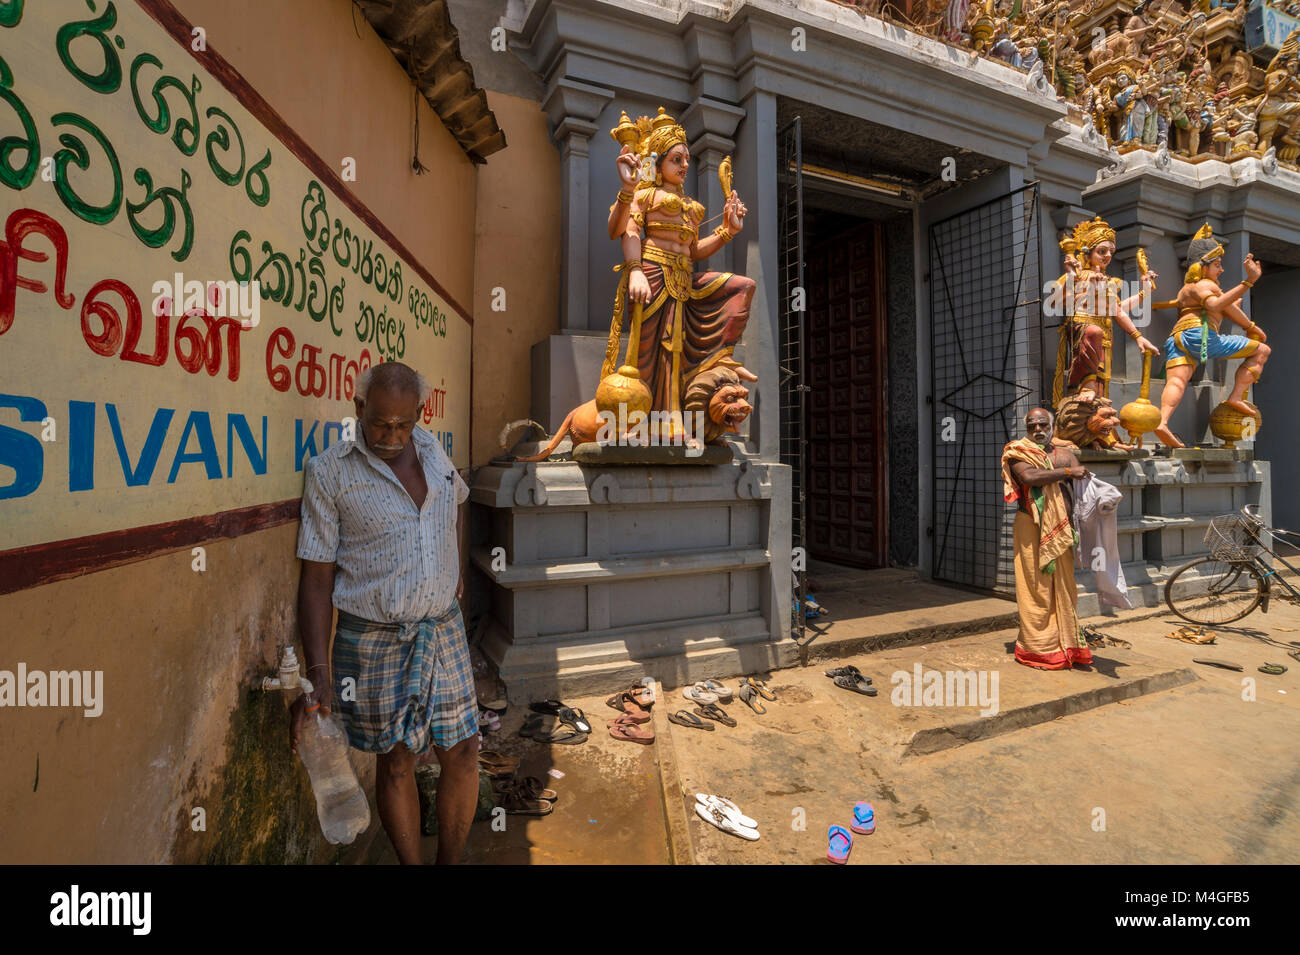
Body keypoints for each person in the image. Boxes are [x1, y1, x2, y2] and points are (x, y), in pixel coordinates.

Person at [290, 361, 476, 865]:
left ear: (419, 413)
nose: (391, 436)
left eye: (402, 424)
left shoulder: (433, 450)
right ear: (359, 410)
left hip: (442, 629)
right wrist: (318, 672)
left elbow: (456, 501)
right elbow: (316, 577)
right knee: (397, 763)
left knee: (462, 752)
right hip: (374, 638)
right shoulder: (331, 472)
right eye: (379, 423)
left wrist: (454, 569)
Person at [605, 107, 757, 435]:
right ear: (657, 162)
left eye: (686, 160)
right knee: (646, 352)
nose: (685, 165)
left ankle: (672, 417)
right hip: (651, 275)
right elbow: (624, 231)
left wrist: (727, 230)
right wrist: (634, 271)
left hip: (682, 280)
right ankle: (638, 419)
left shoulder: (690, 207)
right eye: (677, 159)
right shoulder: (644, 194)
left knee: (678, 349)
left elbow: (693, 251)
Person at [1156, 223, 1270, 448]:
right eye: (1217, 265)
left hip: (1178, 338)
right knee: (1262, 350)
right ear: (1202, 267)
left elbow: (1227, 308)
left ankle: (1162, 423)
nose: (1221, 270)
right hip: (1201, 336)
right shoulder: (1204, 285)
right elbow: (1218, 303)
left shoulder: (1188, 290)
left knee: (1177, 381)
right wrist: (1249, 282)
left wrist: (1250, 325)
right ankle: (1236, 396)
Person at [1001, 408, 1093, 670]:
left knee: (1064, 586)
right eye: (1032, 426)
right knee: (1036, 587)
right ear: (1027, 429)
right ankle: (1039, 648)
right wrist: (1067, 472)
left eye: (1043, 424)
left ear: (1052, 426)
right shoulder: (1018, 451)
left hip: (1063, 529)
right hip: (1030, 526)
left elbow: (1083, 483)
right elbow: (1030, 477)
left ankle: (1069, 644)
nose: (1038, 429)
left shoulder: (1066, 454)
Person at [1051, 217, 1160, 407]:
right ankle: (1084, 396)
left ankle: (1098, 420)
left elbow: (1118, 310)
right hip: (1084, 329)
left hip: (1104, 338)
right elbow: (1056, 302)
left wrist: (1138, 333)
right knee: (1093, 337)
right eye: (1102, 251)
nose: (1107, 256)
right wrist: (1072, 277)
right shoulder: (1078, 275)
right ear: (1087, 252)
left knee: (1101, 383)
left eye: (1111, 252)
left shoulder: (1109, 281)